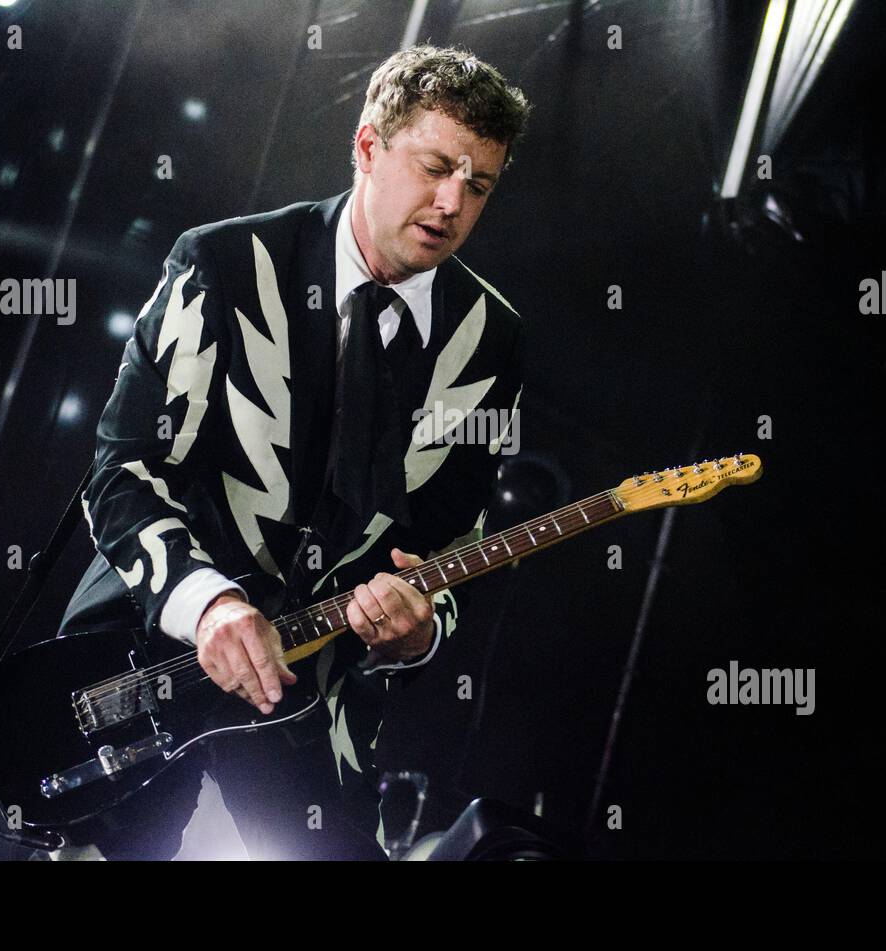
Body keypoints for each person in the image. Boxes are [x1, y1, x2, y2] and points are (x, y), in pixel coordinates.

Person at [57, 44, 531, 860]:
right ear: (368, 147)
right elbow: (124, 471)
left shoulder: (494, 341)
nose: (451, 202)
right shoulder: (221, 263)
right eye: (435, 166)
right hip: (135, 665)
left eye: (478, 184)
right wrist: (207, 602)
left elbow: (453, 545)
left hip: (313, 705)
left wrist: (416, 634)